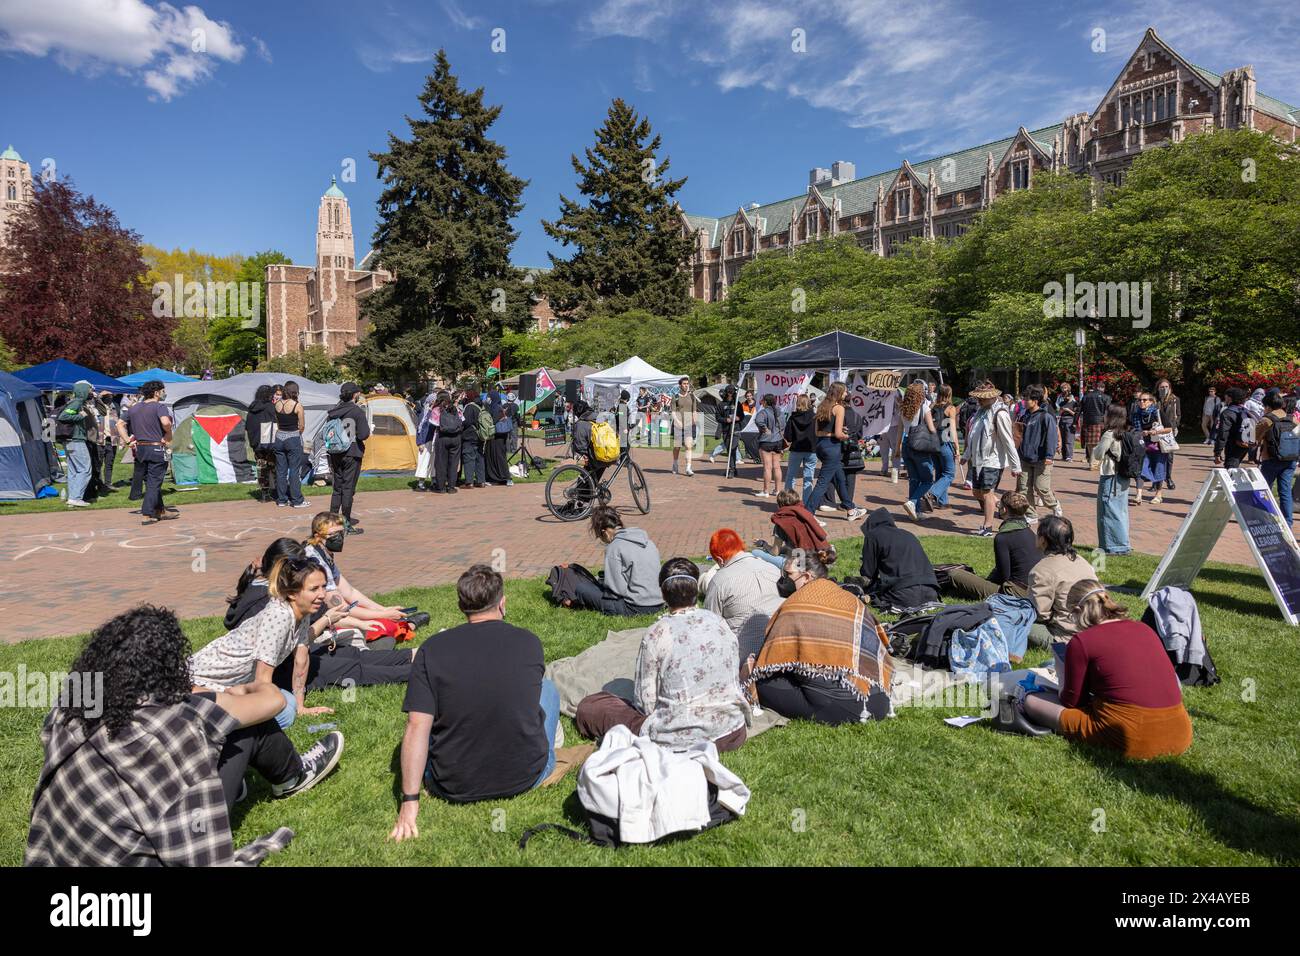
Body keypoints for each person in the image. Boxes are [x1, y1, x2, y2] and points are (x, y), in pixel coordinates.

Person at [26, 606, 297, 866]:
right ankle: (295, 775)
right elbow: (273, 701)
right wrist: (244, 689)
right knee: (242, 726)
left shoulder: (71, 706)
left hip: (64, 853)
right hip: (133, 878)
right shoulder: (178, 724)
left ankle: (270, 780)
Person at [390, 565, 560, 836]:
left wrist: (410, 802)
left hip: (451, 784)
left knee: (429, 716)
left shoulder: (432, 649)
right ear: (502, 603)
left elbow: (416, 726)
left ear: (461, 606)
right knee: (548, 689)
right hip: (527, 775)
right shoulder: (528, 641)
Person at [188, 559, 347, 807]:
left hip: (233, 685)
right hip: (201, 681)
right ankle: (237, 764)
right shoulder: (279, 616)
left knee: (289, 707)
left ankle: (230, 766)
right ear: (293, 593)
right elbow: (263, 681)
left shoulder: (302, 612)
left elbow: (301, 659)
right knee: (278, 711)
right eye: (314, 589)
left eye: (323, 587)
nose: (322, 594)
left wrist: (302, 706)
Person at [576, 558, 749, 752]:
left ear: (663, 594)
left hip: (678, 739)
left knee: (591, 707)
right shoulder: (719, 622)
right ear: (695, 590)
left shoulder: (657, 633)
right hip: (732, 731)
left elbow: (646, 704)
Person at [1018, 581, 1193, 759]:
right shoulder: (1144, 629)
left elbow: (1072, 702)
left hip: (1129, 735)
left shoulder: (1082, 641)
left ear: (1078, 612)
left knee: (1032, 701)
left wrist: (1061, 670)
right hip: (1180, 733)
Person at [225, 538, 414, 695]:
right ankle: (417, 670)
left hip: (284, 659)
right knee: (347, 668)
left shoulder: (273, 591)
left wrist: (361, 621)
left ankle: (414, 656)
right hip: (272, 671)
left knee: (348, 654)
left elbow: (300, 642)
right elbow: (278, 662)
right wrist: (328, 620)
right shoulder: (273, 606)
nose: (321, 593)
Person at [743, 553, 893, 725]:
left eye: (788, 575)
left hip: (840, 708)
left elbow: (771, 660)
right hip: (878, 698)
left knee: (757, 677)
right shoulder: (851, 599)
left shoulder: (797, 604)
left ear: (806, 577)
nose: (783, 580)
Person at [303, 512, 415, 627]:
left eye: (341, 533)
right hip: (311, 620)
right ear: (318, 536)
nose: (339, 537)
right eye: (333, 534)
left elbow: (349, 591)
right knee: (377, 625)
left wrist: (383, 609)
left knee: (371, 616)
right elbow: (340, 606)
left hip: (323, 612)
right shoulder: (315, 560)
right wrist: (383, 615)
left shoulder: (324, 552)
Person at [556, 507, 666, 616]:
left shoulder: (614, 547)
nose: (602, 540)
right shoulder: (647, 541)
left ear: (605, 532)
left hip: (636, 607)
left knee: (582, 589)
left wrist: (604, 583)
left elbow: (617, 591)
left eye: (599, 536)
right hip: (661, 601)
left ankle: (570, 602)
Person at [703, 528, 784, 662]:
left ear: (719, 559)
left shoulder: (720, 580)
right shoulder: (772, 569)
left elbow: (710, 626)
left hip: (742, 659)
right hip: (779, 651)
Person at [944, 491, 1041, 600]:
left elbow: (1004, 576)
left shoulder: (1003, 537)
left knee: (954, 574)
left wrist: (986, 584)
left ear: (1004, 510)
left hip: (1014, 593)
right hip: (1036, 590)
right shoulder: (1030, 532)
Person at [962, 380, 1021, 537]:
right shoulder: (979, 414)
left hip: (993, 460)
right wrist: (966, 455)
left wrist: (1015, 466)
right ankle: (1003, 505)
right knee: (976, 491)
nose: (979, 401)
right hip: (978, 460)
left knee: (987, 492)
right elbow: (973, 437)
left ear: (992, 397)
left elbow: (1008, 440)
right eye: (978, 398)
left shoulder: (1000, 414)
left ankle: (987, 526)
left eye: (983, 398)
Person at [1027, 515, 1094, 646]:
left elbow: (1039, 614)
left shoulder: (1041, 570)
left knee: (1013, 623)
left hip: (1066, 637)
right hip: (1094, 631)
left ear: (1043, 540)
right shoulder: (1081, 561)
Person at [117, 379, 177, 524]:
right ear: (156, 392)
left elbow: (120, 424)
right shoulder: (159, 407)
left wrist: (127, 440)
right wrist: (167, 434)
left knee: (150, 480)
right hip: (156, 447)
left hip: (140, 449)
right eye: (162, 391)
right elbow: (166, 423)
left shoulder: (134, 408)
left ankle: (160, 510)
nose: (164, 393)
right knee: (154, 482)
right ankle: (147, 513)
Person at [806, 382, 867, 521]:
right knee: (823, 482)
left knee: (840, 478)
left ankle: (851, 509)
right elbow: (839, 434)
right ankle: (808, 513)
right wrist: (846, 435)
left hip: (821, 445)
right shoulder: (839, 408)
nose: (846, 394)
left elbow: (817, 432)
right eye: (845, 392)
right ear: (839, 393)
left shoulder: (822, 406)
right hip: (833, 448)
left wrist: (833, 433)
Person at [859, 507, 940, 610]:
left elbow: (868, 575)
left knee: (873, 594)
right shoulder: (909, 534)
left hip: (904, 596)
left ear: (870, 525)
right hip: (931, 593)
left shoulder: (873, 535)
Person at [325, 382, 370, 531]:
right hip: (352, 451)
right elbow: (364, 434)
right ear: (355, 395)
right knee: (348, 488)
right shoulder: (357, 411)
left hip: (335, 451)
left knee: (337, 487)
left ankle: (332, 521)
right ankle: (346, 523)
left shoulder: (333, 411)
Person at [1090, 403, 1134, 555]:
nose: (1104, 416)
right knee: (1121, 510)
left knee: (1109, 509)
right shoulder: (1125, 431)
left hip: (1111, 475)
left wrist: (1095, 448)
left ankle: (1114, 546)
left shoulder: (1110, 434)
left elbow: (1098, 454)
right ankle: (1122, 543)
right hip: (1123, 475)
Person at [1015, 384, 1062, 522]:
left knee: (1041, 487)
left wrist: (1049, 456)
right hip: (1024, 458)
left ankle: (1055, 505)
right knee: (1023, 489)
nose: (1024, 401)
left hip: (1041, 459)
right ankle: (1031, 514)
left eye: (1027, 399)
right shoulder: (1024, 416)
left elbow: (1051, 437)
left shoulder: (1045, 417)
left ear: (1035, 401)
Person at [896, 381, 939, 522]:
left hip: (907, 444)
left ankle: (916, 512)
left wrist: (897, 448)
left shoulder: (903, 409)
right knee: (927, 480)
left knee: (913, 479)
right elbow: (931, 429)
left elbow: (900, 430)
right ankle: (913, 502)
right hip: (919, 446)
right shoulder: (924, 407)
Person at [1258, 389, 1297, 525]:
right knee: (1285, 491)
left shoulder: (1267, 419)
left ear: (1268, 406)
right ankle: (1288, 522)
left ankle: (1264, 519)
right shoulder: (1293, 419)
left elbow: (1254, 438)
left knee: (1264, 489)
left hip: (1271, 459)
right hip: (1290, 459)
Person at [56, 381, 95, 508]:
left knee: (73, 470)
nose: (91, 393)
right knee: (85, 468)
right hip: (76, 440)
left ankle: (72, 497)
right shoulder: (77, 402)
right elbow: (64, 416)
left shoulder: (76, 402)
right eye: (89, 390)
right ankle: (76, 497)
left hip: (70, 441)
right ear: (83, 391)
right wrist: (80, 416)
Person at [271, 380, 308, 508]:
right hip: (293, 438)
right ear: (295, 391)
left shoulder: (277, 404)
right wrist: (297, 434)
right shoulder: (297, 405)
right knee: (294, 470)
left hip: (279, 437)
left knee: (280, 470)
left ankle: (281, 499)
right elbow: (302, 426)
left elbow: (278, 422)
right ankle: (297, 500)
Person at [1130, 391, 1171, 506]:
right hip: (1142, 444)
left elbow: (1169, 428)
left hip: (1157, 445)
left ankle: (1158, 495)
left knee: (1159, 468)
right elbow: (1132, 428)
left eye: (1145, 400)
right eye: (1140, 400)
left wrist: (1154, 431)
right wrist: (1137, 433)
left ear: (1151, 401)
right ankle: (1138, 495)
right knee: (1140, 468)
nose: (1141, 402)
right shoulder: (1136, 414)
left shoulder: (1157, 413)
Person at [927, 383, 959, 509]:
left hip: (933, 442)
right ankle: (933, 492)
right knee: (949, 474)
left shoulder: (932, 406)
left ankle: (942, 501)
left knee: (940, 472)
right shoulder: (950, 408)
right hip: (945, 441)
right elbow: (952, 429)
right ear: (949, 394)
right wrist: (957, 447)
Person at [245, 384, 278, 503]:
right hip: (269, 444)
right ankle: (276, 492)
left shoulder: (251, 409)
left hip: (256, 444)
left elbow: (248, 427)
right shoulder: (271, 407)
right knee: (273, 467)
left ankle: (264, 493)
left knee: (261, 468)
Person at [783, 392, 818, 496]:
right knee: (808, 477)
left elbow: (788, 437)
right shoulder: (815, 417)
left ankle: (788, 500)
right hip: (811, 449)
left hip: (796, 449)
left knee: (791, 476)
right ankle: (807, 503)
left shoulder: (793, 418)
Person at [430, 390, 463, 494]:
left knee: (441, 462)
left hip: (442, 437)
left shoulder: (436, 410)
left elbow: (434, 423)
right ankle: (451, 486)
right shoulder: (455, 409)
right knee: (453, 463)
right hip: (456, 438)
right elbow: (462, 420)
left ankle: (441, 487)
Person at [1214, 387, 1253, 469]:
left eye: (1226, 396)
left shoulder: (1227, 412)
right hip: (1245, 444)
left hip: (1233, 444)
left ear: (1230, 398)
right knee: (1233, 466)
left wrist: (1217, 452)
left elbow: (1223, 433)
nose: (1225, 398)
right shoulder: (1245, 410)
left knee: (1230, 469)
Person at [753, 393, 783, 497]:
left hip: (766, 441)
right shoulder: (779, 411)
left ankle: (766, 491)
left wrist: (765, 429)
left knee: (767, 467)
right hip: (778, 441)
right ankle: (777, 490)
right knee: (777, 467)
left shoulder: (763, 412)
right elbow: (783, 425)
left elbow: (757, 421)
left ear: (765, 402)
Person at [1155, 379, 1181, 490]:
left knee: (1169, 456)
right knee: (1157, 455)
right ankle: (1156, 481)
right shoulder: (1155, 400)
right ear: (1158, 388)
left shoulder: (1175, 400)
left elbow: (1178, 414)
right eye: (1161, 387)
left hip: (1169, 430)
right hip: (1158, 430)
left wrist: (1174, 425)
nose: (1164, 389)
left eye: (1166, 387)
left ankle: (1168, 478)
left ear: (1170, 387)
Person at [671, 376, 699, 476]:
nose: (686, 385)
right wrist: (677, 421)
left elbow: (694, 410)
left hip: (689, 425)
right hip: (678, 424)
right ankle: (675, 463)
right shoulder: (675, 396)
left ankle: (688, 468)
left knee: (688, 446)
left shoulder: (692, 396)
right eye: (684, 384)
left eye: (687, 384)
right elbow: (673, 412)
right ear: (680, 385)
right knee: (677, 447)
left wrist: (695, 418)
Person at [459, 388, 488, 488]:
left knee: (469, 458)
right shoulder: (482, 406)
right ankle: (481, 481)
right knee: (479, 458)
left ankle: (469, 482)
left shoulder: (470, 407)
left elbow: (465, 422)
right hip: (480, 435)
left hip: (469, 436)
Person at [1078, 380, 1110, 460]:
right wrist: (1107, 423)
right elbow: (1107, 411)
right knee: (1099, 443)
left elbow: (1079, 410)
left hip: (1087, 422)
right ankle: (1094, 462)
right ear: (1102, 388)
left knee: (1089, 443)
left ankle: (1091, 460)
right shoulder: (1106, 397)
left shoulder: (1086, 396)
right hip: (1100, 422)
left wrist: (1075, 421)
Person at [1055, 382, 1078, 462]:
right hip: (1062, 419)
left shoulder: (1074, 403)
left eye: (1067, 396)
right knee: (1063, 438)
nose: (1065, 398)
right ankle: (1064, 455)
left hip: (1070, 420)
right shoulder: (1061, 402)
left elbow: (1075, 413)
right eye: (1064, 396)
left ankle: (1069, 456)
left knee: (1069, 439)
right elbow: (1058, 410)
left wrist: (1068, 410)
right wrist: (1061, 411)